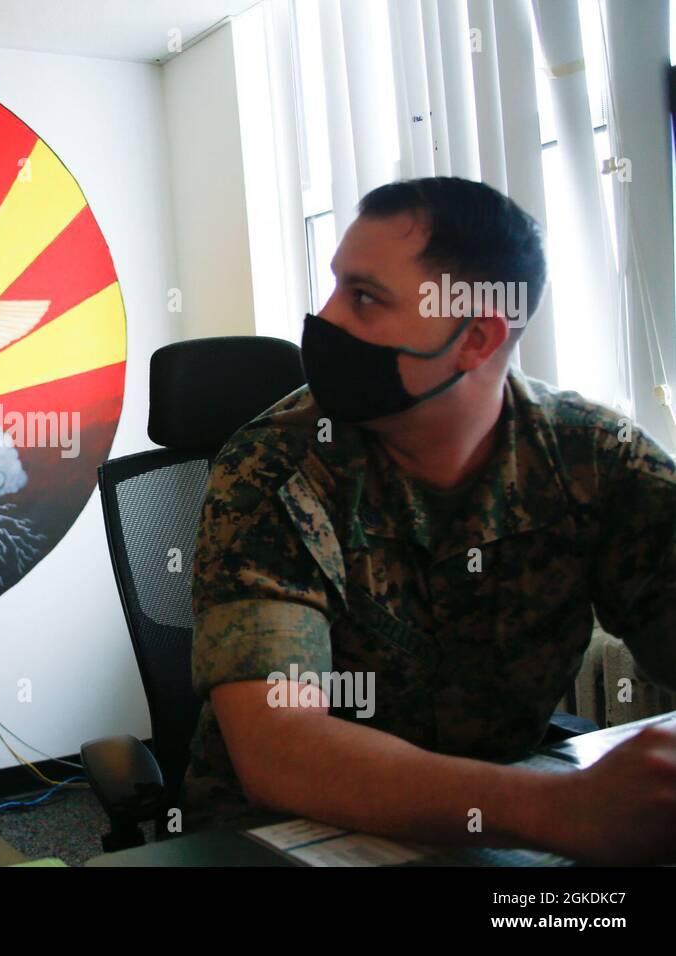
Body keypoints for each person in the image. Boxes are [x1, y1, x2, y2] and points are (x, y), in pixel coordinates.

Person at [182, 176, 676, 864]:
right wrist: (563, 810)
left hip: (492, 834)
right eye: (334, 287)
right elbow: (279, 748)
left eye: (364, 297)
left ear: (475, 339)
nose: (324, 319)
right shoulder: (277, 467)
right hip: (274, 840)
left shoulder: (594, 459)